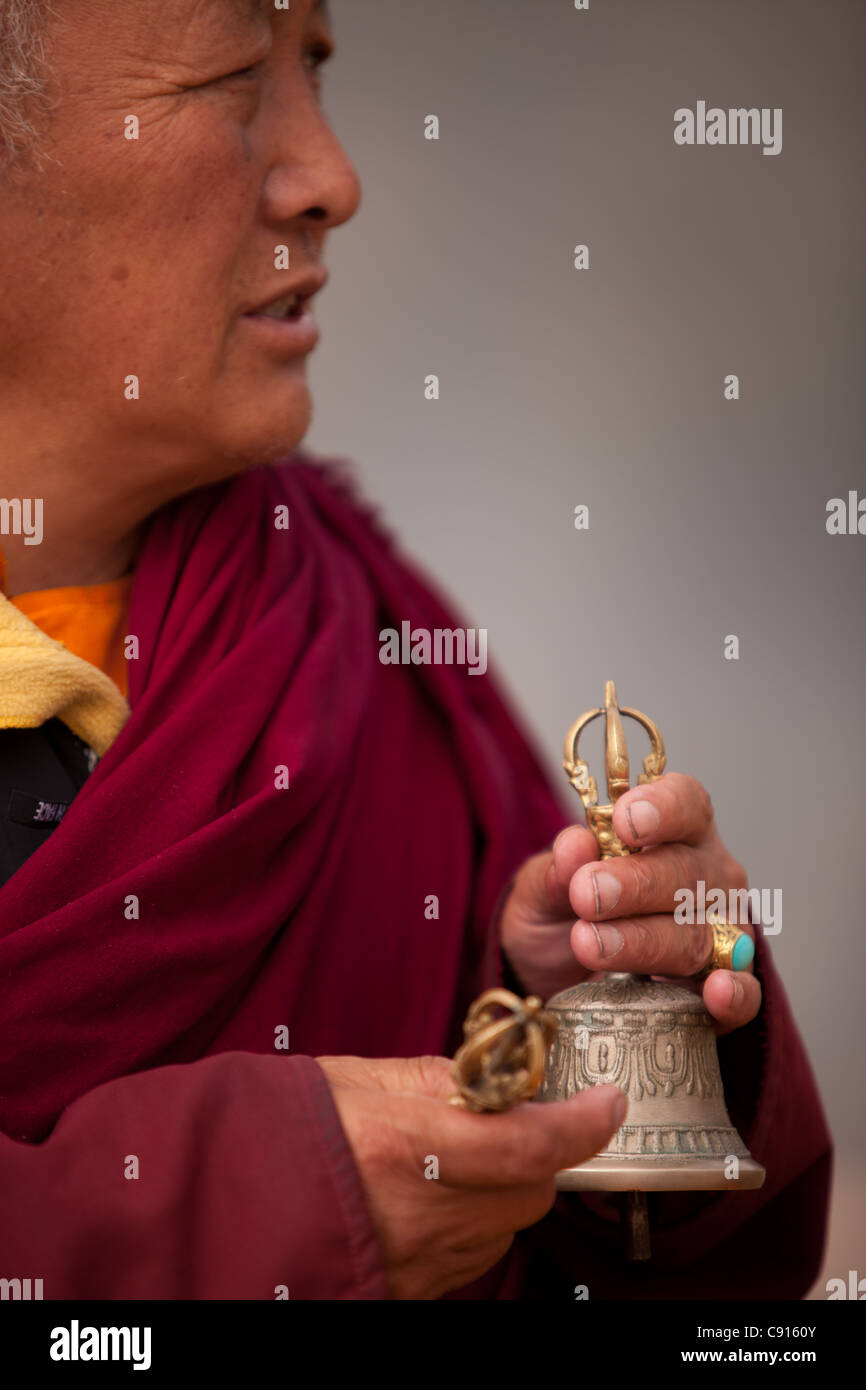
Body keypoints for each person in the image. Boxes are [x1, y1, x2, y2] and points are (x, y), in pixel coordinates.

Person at [0, 0, 831, 1300]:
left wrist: (617, 1019)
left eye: (315, 67)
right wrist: (241, 1205)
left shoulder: (338, 620)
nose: (332, 176)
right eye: (229, 82)